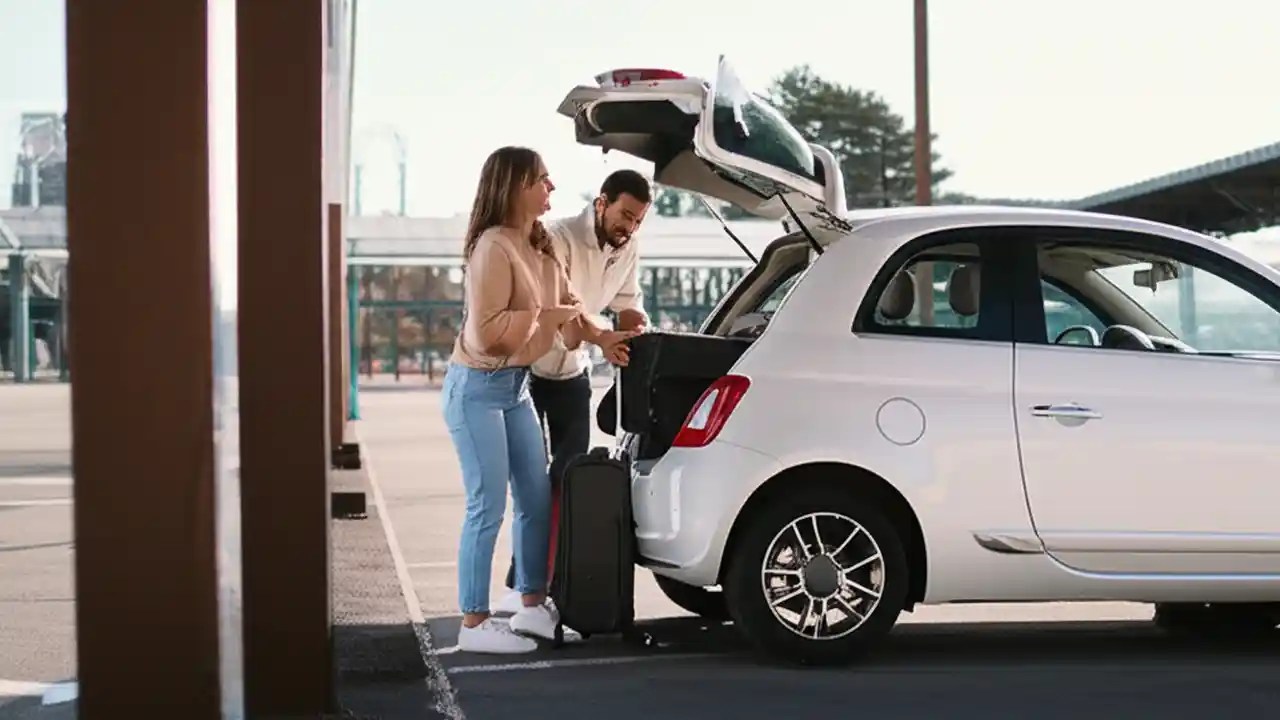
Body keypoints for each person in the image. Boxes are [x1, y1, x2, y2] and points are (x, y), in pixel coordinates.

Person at [443, 146, 635, 654]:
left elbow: (573, 310)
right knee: (487, 506)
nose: (551, 188)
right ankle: (474, 623)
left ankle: (530, 604)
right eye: (543, 180)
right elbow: (488, 336)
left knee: (535, 499)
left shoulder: (540, 244)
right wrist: (544, 319)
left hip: (514, 391)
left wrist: (603, 339)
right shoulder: (492, 247)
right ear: (515, 185)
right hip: (476, 391)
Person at [493, 169, 652, 615]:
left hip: (572, 373)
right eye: (625, 215)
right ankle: (521, 583)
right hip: (529, 368)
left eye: (638, 220)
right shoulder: (556, 236)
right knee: (530, 481)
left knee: (566, 478)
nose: (630, 227)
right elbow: (565, 311)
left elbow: (626, 301)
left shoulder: (628, 246)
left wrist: (636, 325)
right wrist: (603, 336)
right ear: (601, 203)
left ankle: (544, 582)